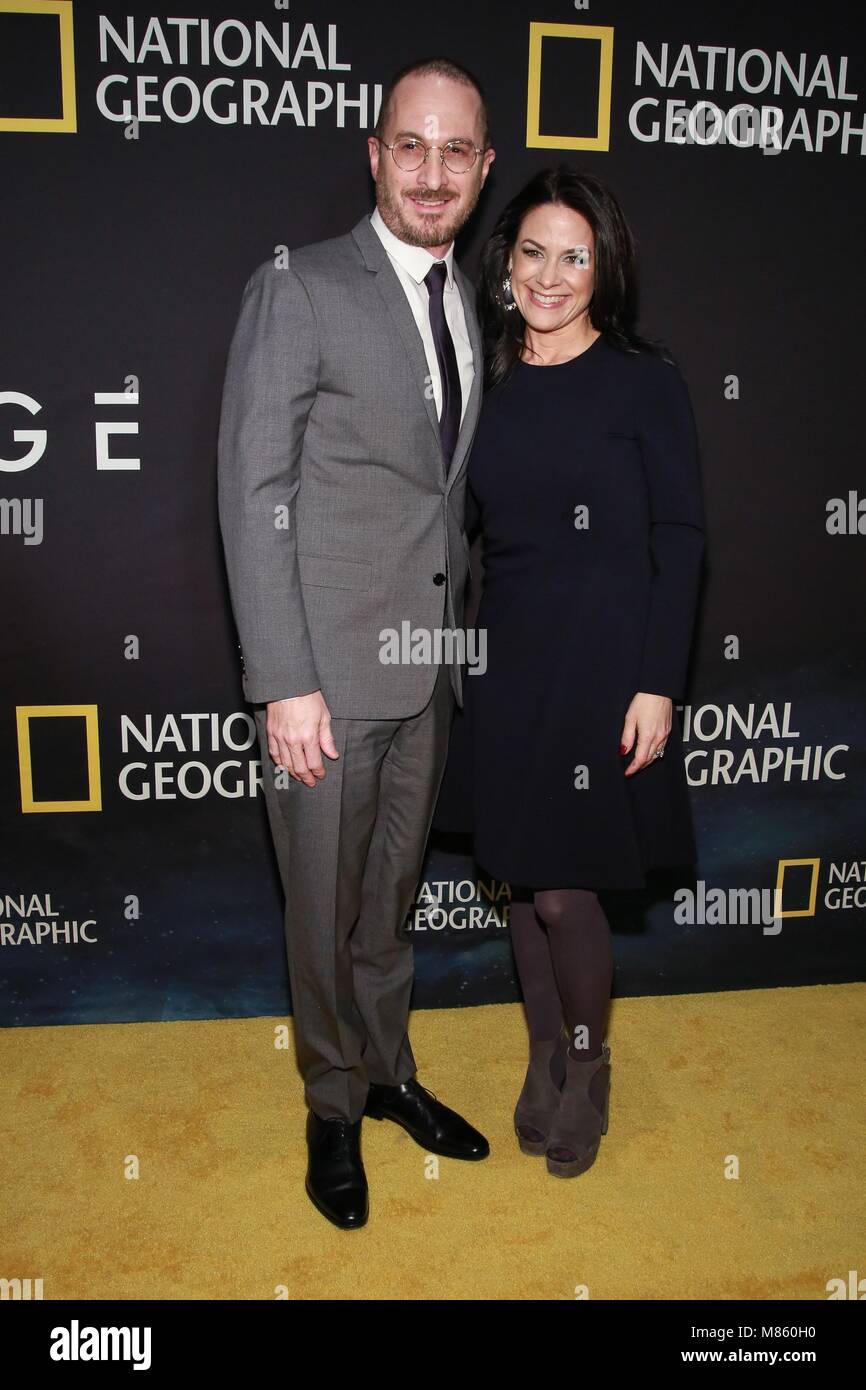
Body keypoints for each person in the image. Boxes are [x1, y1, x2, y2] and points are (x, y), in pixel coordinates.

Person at [217, 57, 496, 1228]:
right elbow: (252, 486)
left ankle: (386, 1073)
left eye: (456, 152)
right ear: (373, 153)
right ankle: (331, 1106)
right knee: (321, 913)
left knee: (388, 904)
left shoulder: (471, 299)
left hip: (425, 673)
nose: (431, 173)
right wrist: (284, 681)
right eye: (410, 146)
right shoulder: (302, 286)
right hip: (323, 683)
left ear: (481, 171)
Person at [464, 165, 706, 1178]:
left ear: (602, 269)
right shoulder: (483, 378)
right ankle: (538, 1057)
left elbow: (680, 532)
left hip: (604, 660)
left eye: (575, 254)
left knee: (565, 893)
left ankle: (585, 1062)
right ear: (505, 262)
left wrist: (657, 680)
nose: (551, 274)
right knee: (521, 884)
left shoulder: (643, 379)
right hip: (509, 655)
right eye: (533, 251)